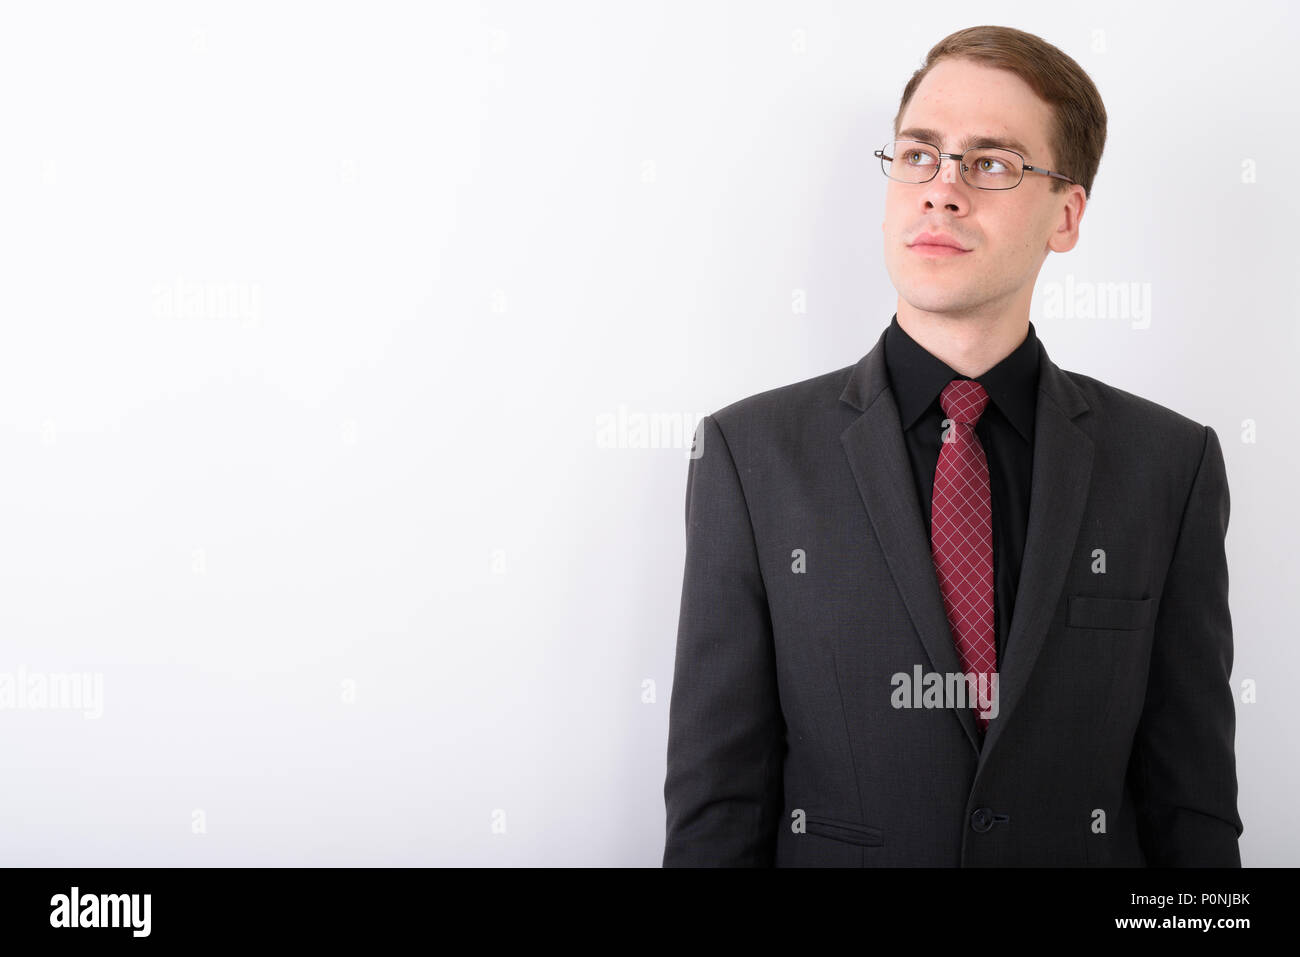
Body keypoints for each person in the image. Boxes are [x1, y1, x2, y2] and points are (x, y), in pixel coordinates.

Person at [662, 24, 1243, 867]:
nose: (943, 190)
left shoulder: (1169, 465)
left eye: (993, 163)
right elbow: (718, 809)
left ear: (1067, 215)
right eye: (920, 154)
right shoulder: (747, 457)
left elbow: (1192, 812)